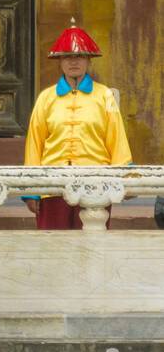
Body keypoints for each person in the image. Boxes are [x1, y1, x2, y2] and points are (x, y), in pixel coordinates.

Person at [23, 20, 132, 229]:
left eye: (80, 56)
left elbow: (117, 139)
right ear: (59, 61)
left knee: (92, 248)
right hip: (52, 185)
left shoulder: (104, 95)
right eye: (68, 57)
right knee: (54, 246)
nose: (74, 62)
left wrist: (124, 180)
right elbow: (34, 144)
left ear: (88, 61)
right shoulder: (46, 98)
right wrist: (32, 190)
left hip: (96, 183)